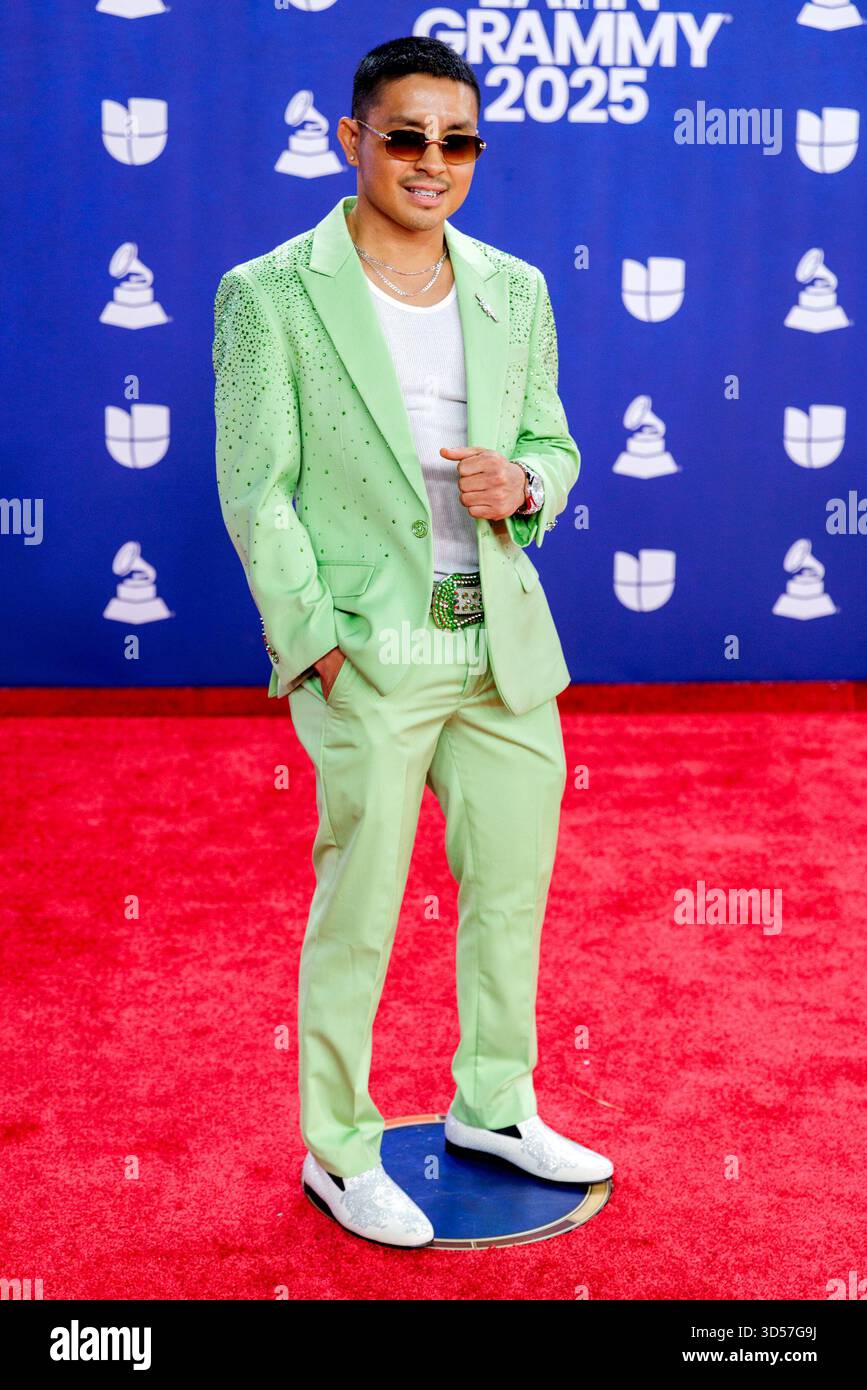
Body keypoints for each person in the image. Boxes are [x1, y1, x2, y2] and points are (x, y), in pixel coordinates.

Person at [213, 34, 613, 1250]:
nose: (433, 163)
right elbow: (255, 488)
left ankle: (494, 1105)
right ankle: (339, 1145)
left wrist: (524, 484)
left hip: (501, 642)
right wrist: (319, 645)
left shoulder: (515, 287)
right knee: (365, 902)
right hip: (370, 651)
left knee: (509, 893)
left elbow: (555, 443)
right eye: (407, 137)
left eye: (459, 141)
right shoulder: (270, 292)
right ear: (353, 140)